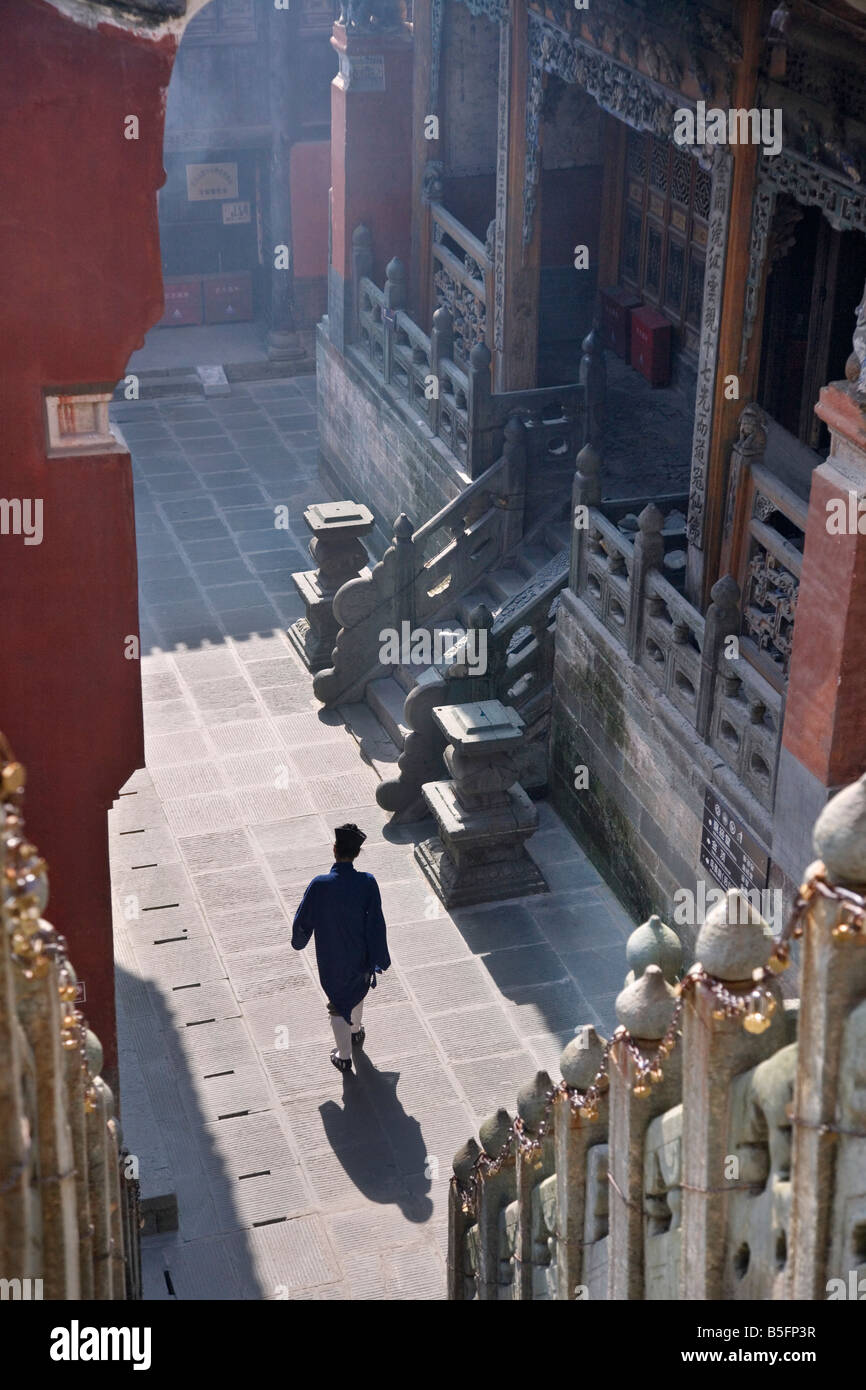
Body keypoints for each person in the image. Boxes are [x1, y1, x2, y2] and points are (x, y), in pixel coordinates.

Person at [291, 822, 391, 1074]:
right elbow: (376, 921)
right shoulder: (368, 882)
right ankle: (355, 1031)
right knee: (358, 988)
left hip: (332, 955)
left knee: (337, 1002)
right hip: (360, 953)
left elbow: (304, 919)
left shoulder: (320, 885)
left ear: (334, 849)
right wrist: (379, 955)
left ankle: (343, 1056)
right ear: (357, 854)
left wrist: (299, 940)